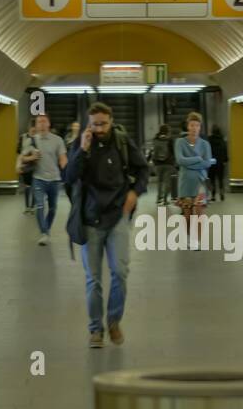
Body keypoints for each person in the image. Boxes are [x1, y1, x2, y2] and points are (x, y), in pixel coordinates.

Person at [64, 102, 149, 348]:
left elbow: (143, 169)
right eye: (94, 124)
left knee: (120, 272)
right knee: (93, 279)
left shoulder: (122, 142)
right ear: (88, 124)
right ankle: (95, 329)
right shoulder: (82, 143)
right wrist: (82, 150)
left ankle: (113, 321)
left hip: (117, 217)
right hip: (90, 220)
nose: (99, 128)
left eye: (103, 123)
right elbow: (68, 177)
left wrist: (135, 192)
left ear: (111, 121)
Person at [26, 115, 67, 245]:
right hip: (38, 178)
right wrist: (31, 158)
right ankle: (44, 233)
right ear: (36, 125)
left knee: (53, 208)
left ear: (49, 123)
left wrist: (68, 170)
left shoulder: (58, 140)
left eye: (44, 121)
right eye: (39, 122)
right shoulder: (32, 141)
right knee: (39, 206)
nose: (42, 124)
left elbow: (63, 158)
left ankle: (46, 229)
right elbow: (22, 158)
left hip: (54, 179)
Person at [174, 112, 215, 246]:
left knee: (199, 212)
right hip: (185, 183)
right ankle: (187, 236)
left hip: (200, 182)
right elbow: (180, 160)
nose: (194, 128)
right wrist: (198, 159)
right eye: (192, 125)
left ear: (200, 127)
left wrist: (190, 163)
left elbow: (208, 163)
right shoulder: (180, 142)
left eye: (197, 125)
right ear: (188, 126)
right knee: (187, 214)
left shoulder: (205, 144)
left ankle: (196, 239)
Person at [149, 123, 177, 205]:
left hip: (157, 164)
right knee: (167, 182)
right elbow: (173, 152)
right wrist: (174, 162)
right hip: (168, 164)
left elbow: (152, 151)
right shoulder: (170, 139)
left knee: (160, 181)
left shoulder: (155, 139)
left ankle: (159, 198)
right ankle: (165, 199)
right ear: (168, 131)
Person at [16, 126, 38, 214]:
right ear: (29, 129)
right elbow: (19, 153)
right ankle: (27, 207)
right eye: (32, 129)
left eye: (34, 130)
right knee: (27, 186)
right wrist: (18, 165)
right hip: (26, 166)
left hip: (36, 165)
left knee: (34, 186)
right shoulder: (23, 138)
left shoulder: (39, 138)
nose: (33, 131)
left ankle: (32, 206)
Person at [207, 124, 229, 201]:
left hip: (212, 162)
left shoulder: (209, 139)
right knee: (220, 179)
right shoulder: (222, 139)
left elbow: (207, 151)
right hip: (220, 162)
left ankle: (213, 195)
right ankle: (221, 193)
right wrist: (225, 160)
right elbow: (225, 150)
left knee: (212, 179)